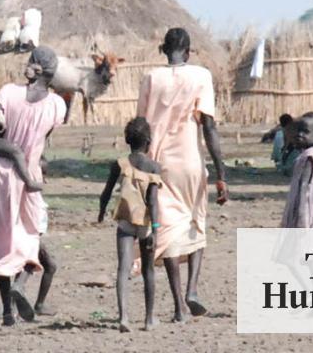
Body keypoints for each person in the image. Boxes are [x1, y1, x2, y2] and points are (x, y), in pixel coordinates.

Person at [0, 46, 66, 326]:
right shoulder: (57, 105)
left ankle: (6, 313)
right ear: (52, 73)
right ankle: (20, 285)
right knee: (31, 233)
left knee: (1, 239)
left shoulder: (8, 93)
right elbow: (41, 140)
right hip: (29, 177)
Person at [137, 27, 228, 323]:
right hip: (191, 161)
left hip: (159, 163)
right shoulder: (201, 76)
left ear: (164, 50)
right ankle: (192, 290)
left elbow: (140, 127)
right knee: (195, 221)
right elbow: (209, 128)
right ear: (188, 51)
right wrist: (221, 173)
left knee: (167, 229)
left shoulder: (151, 78)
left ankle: (179, 306)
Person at [97, 117, 161, 333]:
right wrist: (157, 227)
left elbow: (105, 193)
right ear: (149, 141)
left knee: (123, 268)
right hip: (145, 223)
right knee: (148, 270)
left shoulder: (120, 164)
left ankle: (123, 317)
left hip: (125, 221)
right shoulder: (154, 167)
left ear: (127, 140)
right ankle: (149, 319)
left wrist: (101, 212)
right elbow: (152, 201)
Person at [280, 113, 313, 228]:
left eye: (305, 132)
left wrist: (301, 218)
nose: (299, 135)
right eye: (298, 131)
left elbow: (303, 187)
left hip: (307, 213)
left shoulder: (308, 157)